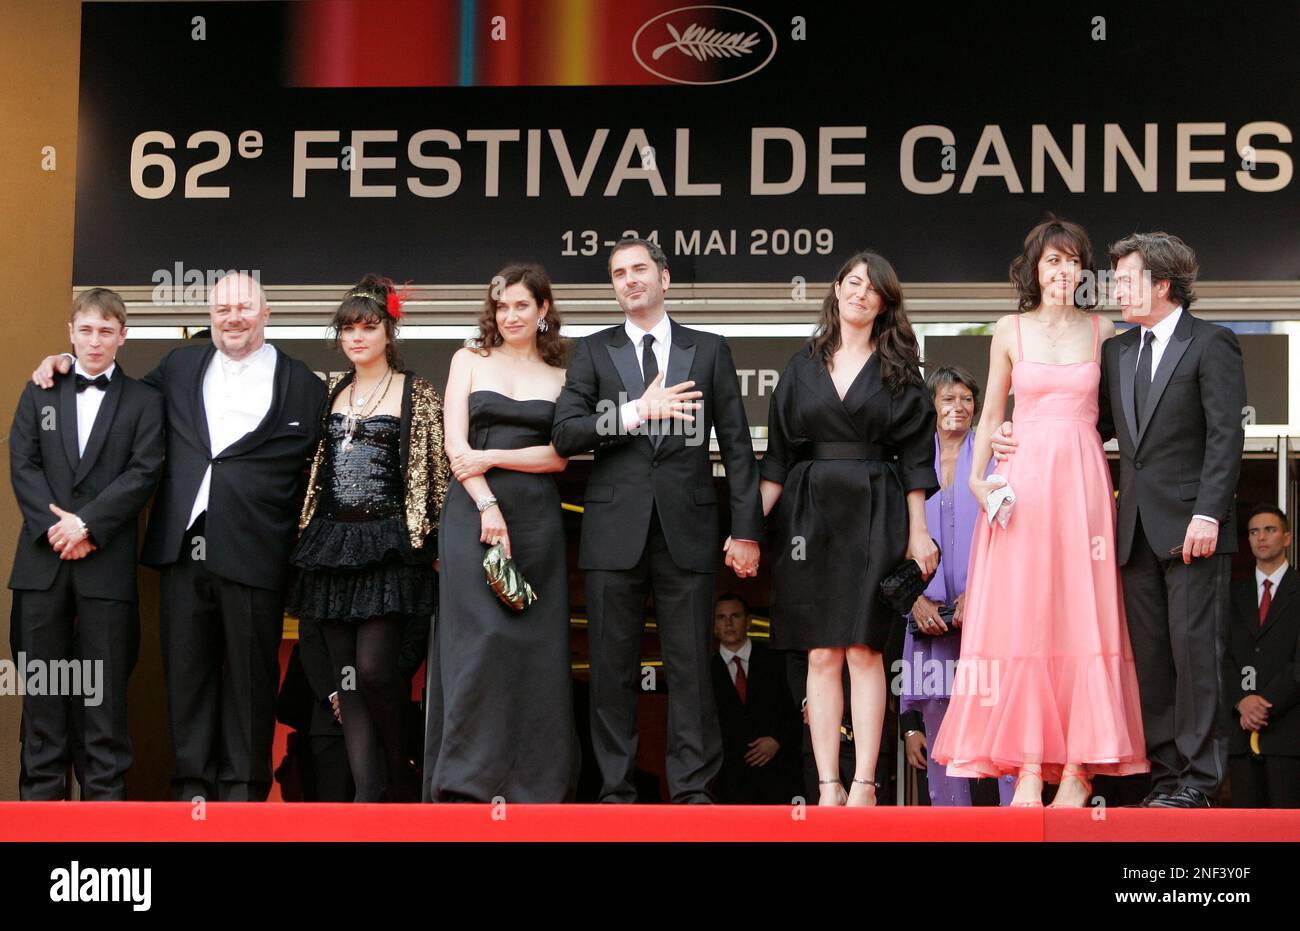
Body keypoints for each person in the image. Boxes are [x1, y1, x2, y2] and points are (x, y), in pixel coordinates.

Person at [31, 271, 327, 801]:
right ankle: (192, 790)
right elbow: (118, 401)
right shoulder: (181, 364)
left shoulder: (304, 384)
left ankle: (242, 793)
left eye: (243, 309)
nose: (232, 319)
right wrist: (66, 364)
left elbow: (317, 474)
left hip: (256, 550)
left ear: (266, 313)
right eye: (221, 311)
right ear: (210, 317)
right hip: (184, 548)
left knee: (250, 681)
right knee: (186, 675)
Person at [993, 230, 1245, 808]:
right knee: (1152, 662)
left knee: (1195, 656)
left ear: (1162, 284)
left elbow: (1226, 439)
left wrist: (1208, 514)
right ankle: (1164, 779)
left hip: (1192, 530)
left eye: (1126, 278)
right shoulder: (1117, 351)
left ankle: (1200, 783)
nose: (1113, 289)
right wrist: (1016, 430)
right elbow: (1085, 420)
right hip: (1129, 532)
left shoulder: (1212, 344)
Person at [932, 218, 1150, 807]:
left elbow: (1124, 416)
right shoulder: (1009, 329)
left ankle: (1078, 771)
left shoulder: (1107, 332)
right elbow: (988, 415)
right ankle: (1028, 765)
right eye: (1052, 260)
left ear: (1085, 272)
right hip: (1020, 486)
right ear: (1035, 268)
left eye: (1073, 261)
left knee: (1081, 612)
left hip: (1081, 483)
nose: (1063, 271)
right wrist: (978, 478)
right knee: (1024, 617)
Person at [552, 237, 764, 804]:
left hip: (687, 530)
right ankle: (616, 791)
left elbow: (738, 449)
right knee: (611, 668)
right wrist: (635, 410)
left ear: (664, 278)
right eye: (618, 273)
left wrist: (745, 531)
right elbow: (566, 434)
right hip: (612, 531)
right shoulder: (593, 352)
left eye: (639, 269)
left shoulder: (710, 350)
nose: (629, 280)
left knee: (691, 666)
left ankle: (692, 790)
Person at [761, 251, 939, 807]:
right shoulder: (800, 366)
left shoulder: (900, 373)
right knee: (820, 654)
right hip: (808, 515)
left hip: (877, 510)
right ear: (837, 290)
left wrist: (918, 533)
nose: (860, 293)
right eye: (852, 282)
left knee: (864, 652)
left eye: (873, 288)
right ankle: (828, 784)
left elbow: (914, 460)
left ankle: (864, 782)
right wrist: (746, 528)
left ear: (884, 303)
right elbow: (777, 459)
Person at [288, 275, 449, 802]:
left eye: (368, 326)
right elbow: (319, 471)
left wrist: (438, 539)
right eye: (348, 328)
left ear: (389, 330)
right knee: (348, 679)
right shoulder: (334, 393)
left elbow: (437, 472)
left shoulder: (416, 391)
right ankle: (368, 794)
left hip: (387, 545)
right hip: (333, 544)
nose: (357, 336)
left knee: (378, 669)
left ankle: (402, 767)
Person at [425, 263, 577, 802]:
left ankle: (535, 786)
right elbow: (454, 447)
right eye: (502, 305)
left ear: (543, 312)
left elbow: (559, 457)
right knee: (482, 644)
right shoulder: (467, 359)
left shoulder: (564, 375)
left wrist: (491, 455)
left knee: (535, 650)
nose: (510, 315)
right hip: (473, 514)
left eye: (521, 305)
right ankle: (466, 784)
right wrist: (488, 502)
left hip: (537, 519)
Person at [9, 289, 165, 799]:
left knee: (105, 703)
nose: (95, 341)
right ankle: (40, 817)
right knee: (44, 696)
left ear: (124, 335)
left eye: (106, 331)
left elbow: (144, 472)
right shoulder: (40, 391)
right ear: (71, 333)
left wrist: (88, 526)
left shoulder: (145, 401)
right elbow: (22, 461)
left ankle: (104, 823)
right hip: (42, 563)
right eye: (86, 330)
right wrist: (57, 529)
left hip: (105, 567)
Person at [900, 365, 1015, 807]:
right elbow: (894, 539)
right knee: (940, 725)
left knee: (1001, 719)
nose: (959, 407)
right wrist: (914, 600)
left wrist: (982, 593)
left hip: (987, 613)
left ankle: (1014, 827)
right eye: (948, 399)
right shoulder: (911, 462)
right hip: (928, 618)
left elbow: (1012, 530)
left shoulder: (993, 458)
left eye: (967, 399)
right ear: (931, 406)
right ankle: (951, 828)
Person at [1223, 505, 1300, 807]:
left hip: (1289, 732)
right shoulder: (1231, 593)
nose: (1261, 537)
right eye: (1254, 532)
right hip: (1240, 734)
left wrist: (1264, 705)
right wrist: (1241, 700)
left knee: (1287, 828)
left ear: (1287, 538)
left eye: (1269, 530)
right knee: (1244, 830)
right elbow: (1221, 656)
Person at [709, 594, 802, 804]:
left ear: (748, 621)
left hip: (780, 778)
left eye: (735, 616)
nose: (728, 623)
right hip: (726, 783)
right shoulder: (705, 671)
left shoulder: (777, 662)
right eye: (721, 617)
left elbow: (800, 709)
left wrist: (778, 740)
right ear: (713, 625)